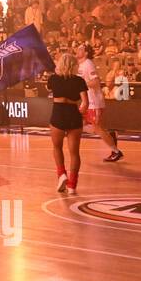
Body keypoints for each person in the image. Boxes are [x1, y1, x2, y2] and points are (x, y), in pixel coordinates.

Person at [47, 51, 89, 195]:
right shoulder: (79, 81)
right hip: (73, 114)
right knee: (74, 153)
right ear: (74, 65)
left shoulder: (53, 78)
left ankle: (61, 174)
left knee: (57, 147)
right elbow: (85, 102)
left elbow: (49, 89)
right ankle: (72, 185)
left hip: (58, 114)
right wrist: (82, 111)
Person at [77, 44, 123, 162]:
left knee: (97, 128)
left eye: (80, 49)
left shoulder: (88, 64)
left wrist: (81, 86)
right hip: (87, 101)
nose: (77, 50)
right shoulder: (81, 65)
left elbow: (96, 82)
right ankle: (109, 135)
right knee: (81, 125)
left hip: (94, 102)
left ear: (86, 53)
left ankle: (117, 152)